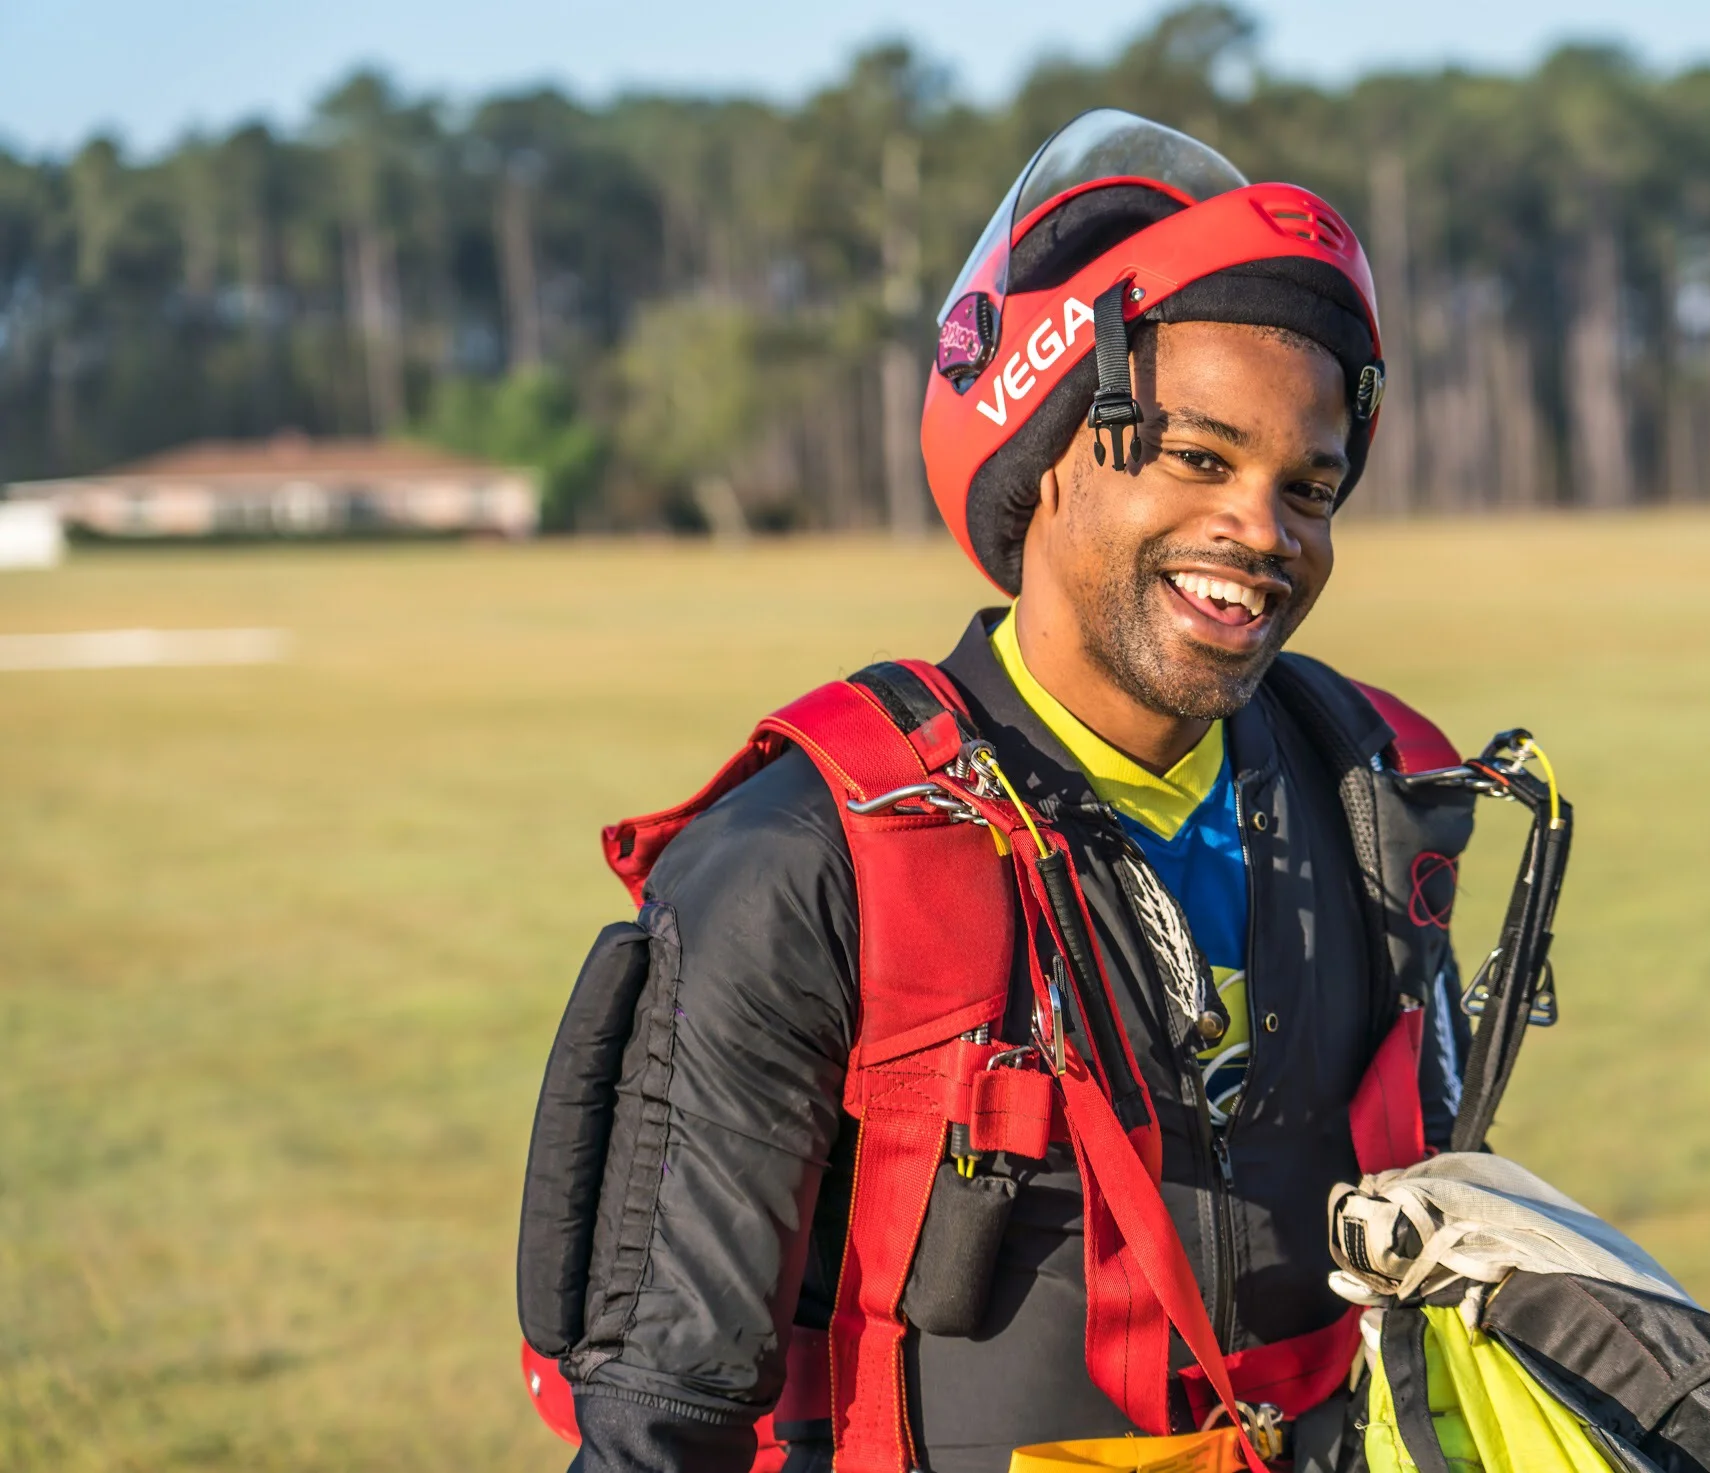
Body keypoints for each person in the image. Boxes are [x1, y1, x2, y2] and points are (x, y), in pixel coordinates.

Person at [526, 110, 1483, 1473]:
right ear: (1042, 459)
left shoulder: (1372, 802)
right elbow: (659, 1423)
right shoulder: (810, 856)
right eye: (1198, 458)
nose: (1261, 531)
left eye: (1309, 488)